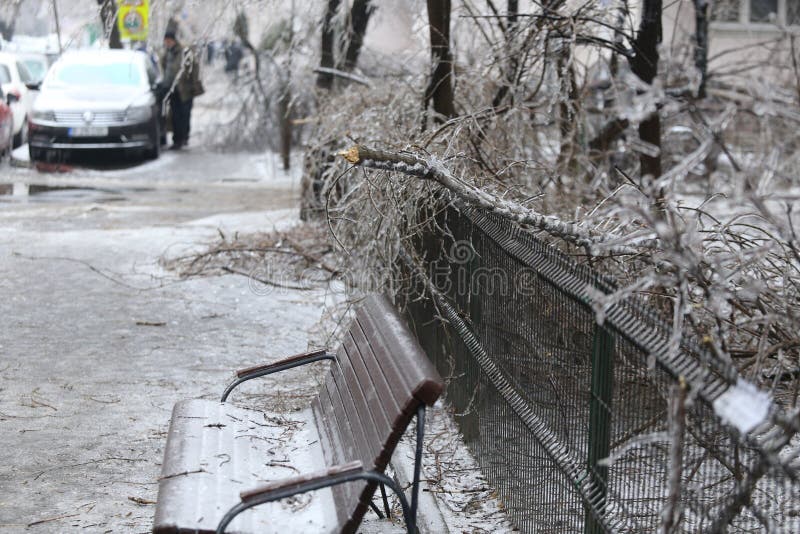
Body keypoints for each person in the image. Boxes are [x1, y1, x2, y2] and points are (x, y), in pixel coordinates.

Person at [160, 30, 199, 150]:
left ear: (173, 40)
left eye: (169, 40)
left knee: (185, 115)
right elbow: (164, 66)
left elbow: (194, 68)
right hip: (173, 90)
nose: (167, 43)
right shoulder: (167, 53)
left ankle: (184, 137)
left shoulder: (184, 51)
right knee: (175, 115)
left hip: (185, 89)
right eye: (165, 41)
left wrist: (193, 84)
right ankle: (177, 140)